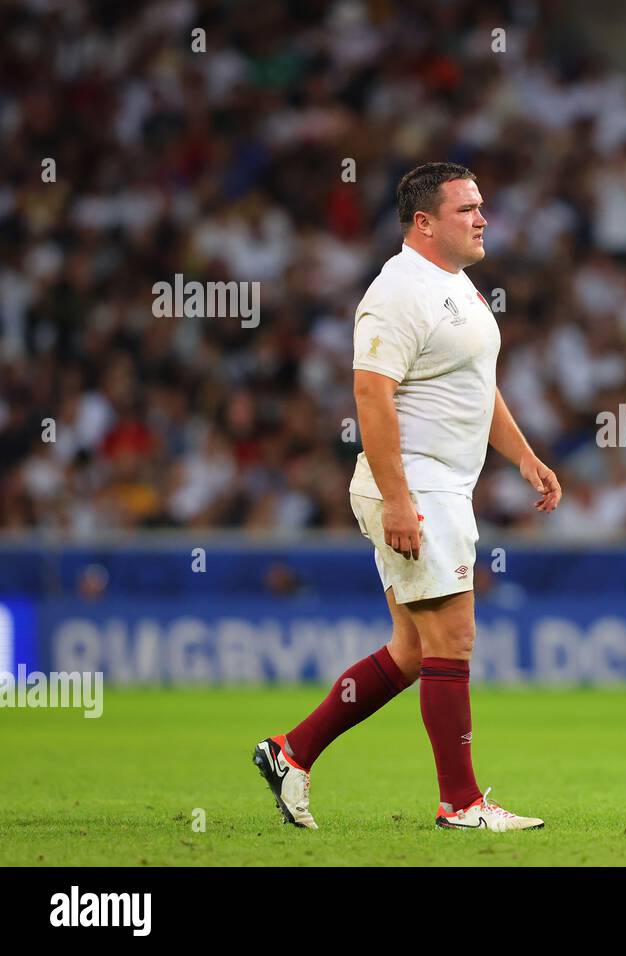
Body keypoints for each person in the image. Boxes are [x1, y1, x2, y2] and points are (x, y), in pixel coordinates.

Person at [253, 162, 562, 832]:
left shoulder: (457, 285)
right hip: (416, 483)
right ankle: (462, 803)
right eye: (467, 209)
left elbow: (478, 385)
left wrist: (523, 455)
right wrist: (398, 499)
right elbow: (372, 393)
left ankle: (290, 752)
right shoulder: (397, 291)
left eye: (482, 206)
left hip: (443, 482)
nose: (483, 218)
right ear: (424, 223)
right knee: (454, 638)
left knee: (414, 651)